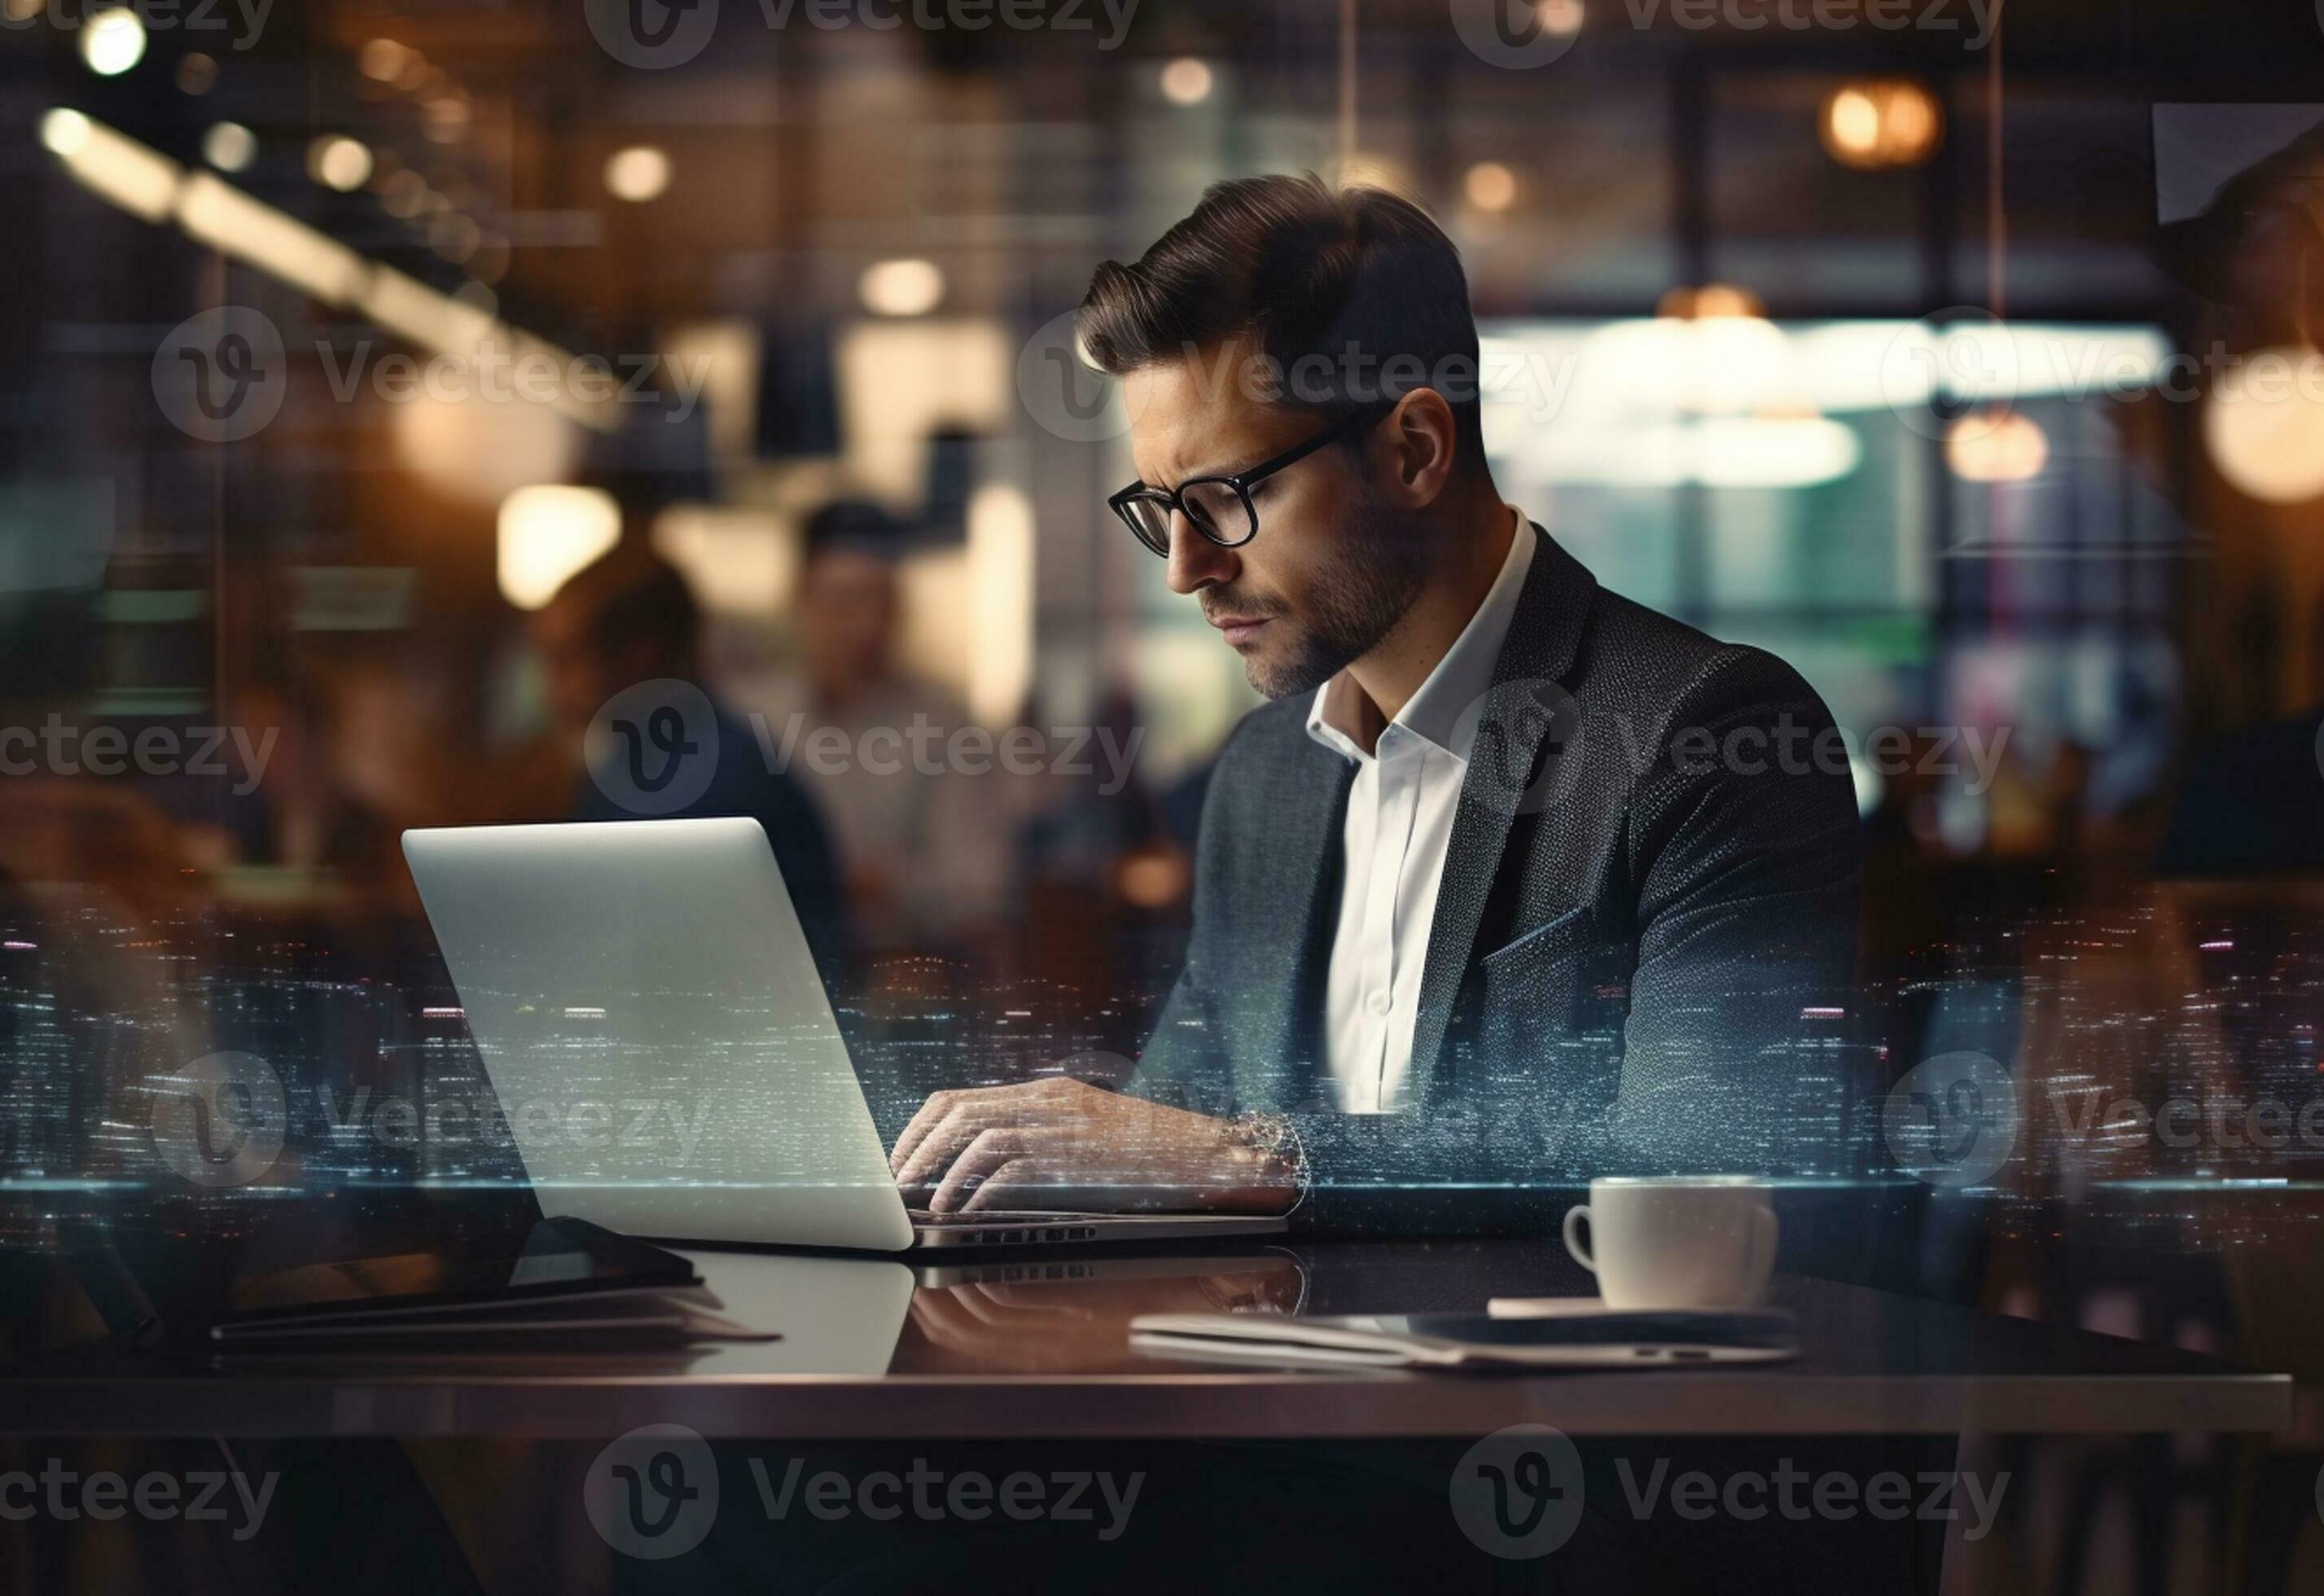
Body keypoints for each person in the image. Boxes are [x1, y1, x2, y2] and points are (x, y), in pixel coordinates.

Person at [890, 174, 1862, 1225]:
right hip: (1266, 1375)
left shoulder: (1705, 734)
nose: (1183, 568)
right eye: (1160, 508)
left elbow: (1697, 1170)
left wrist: (1266, 1159)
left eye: (1222, 499)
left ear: (1414, 451)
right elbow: (1171, 1142)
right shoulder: (1263, 774)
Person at [534, 542, 849, 977]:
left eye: (564, 660)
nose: (550, 691)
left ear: (641, 653)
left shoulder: (706, 782)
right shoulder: (648, 763)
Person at [732, 500, 1015, 957]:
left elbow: (981, 885)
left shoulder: (944, 724)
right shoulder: (750, 716)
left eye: (877, 600)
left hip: (903, 978)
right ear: (799, 598)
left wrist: (883, 885)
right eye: (842, 602)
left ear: (899, 606)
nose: (863, 626)